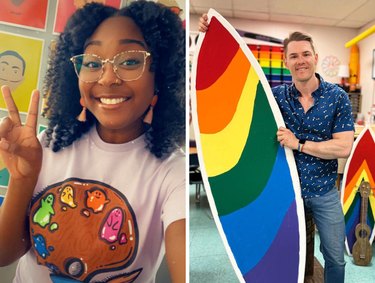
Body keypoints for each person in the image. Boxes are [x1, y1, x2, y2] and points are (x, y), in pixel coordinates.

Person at [0, 1, 186, 283]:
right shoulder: (48, 145)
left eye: (130, 61)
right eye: (92, 63)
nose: (108, 78)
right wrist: (22, 180)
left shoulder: (173, 172)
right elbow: (4, 254)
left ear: (159, 76)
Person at [198, 14, 354, 283]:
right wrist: (211, 33)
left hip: (323, 191)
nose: (300, 60)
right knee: (282, 257)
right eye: (294, 56)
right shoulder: (276, 97)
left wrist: (300, 144)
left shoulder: (337, 96)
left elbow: (343, 147)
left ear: (315, 57)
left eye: (306, 54)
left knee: (335, 256)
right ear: (286, 62)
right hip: (283, 193)